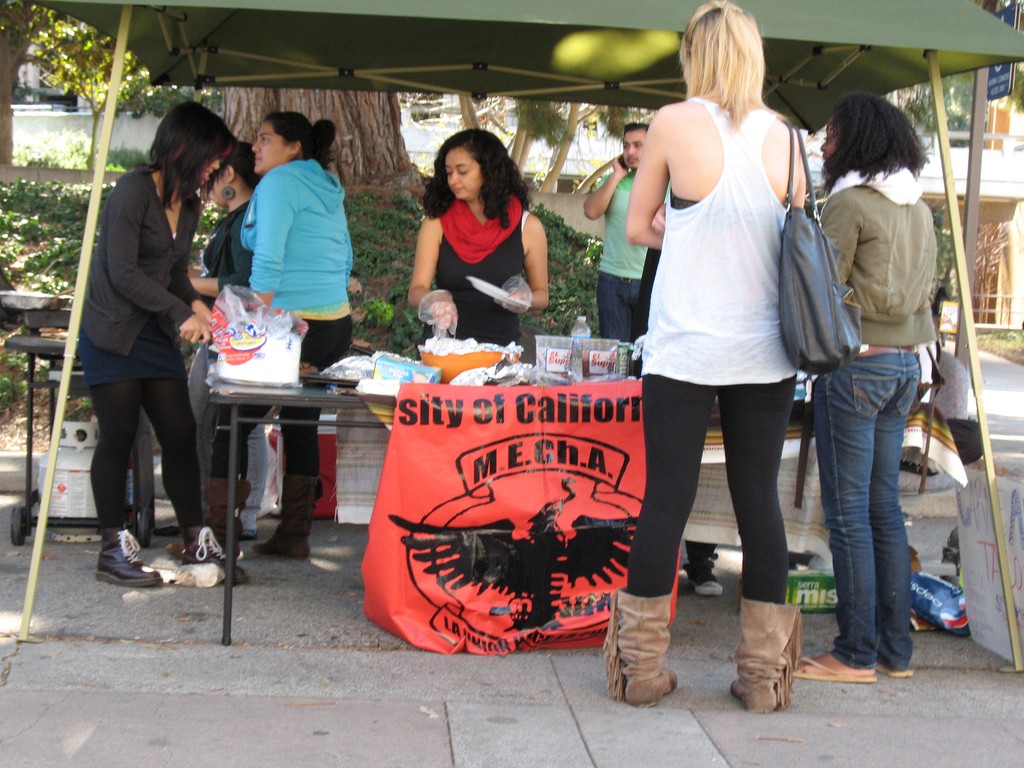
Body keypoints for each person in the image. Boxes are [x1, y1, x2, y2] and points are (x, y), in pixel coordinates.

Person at [605, 1, 805, 712]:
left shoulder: (670, 123)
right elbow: (794, 241)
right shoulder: (786, 135)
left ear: (694, 53)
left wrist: (681, 232)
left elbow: (638, 225)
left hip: (685, 343)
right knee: (760, 505)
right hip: (765, 349)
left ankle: (639, 671)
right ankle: (761, 678)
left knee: (667, 498)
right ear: (753, 53)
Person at [795, 93, 936, 684]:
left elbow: (824, 288)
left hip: (857, 369)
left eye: (831, 134)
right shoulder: (920, 208)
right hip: (906, 367)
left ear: (855, 140)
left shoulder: (850, 202)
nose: (823, 145)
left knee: (848, 513)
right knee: (883, 510)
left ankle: (854, 653)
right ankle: (894, 654)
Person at [79, 101, 236, 586]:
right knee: (121, 435)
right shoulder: (132, 191)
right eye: (212, 157)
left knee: (180, 433)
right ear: (186, 149)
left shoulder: (186, 204)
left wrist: (196, 304)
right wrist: (179, 310)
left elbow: (171, 273)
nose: (216, 167)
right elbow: (122, 271)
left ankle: (195, 538)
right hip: (112, 331)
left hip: (153, 333)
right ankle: (112, 546)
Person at [209, 111, 354, 561]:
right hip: (332, 326)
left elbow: (267, 262)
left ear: (293, 147)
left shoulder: (279, 183)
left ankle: (216, 535)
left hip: (290, 326)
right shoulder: (325, 186)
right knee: (300, 424)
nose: (255, 146)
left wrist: (251, 325)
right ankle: (294, 532)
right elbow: (345, 258)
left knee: (231, 421)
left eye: (264, 138)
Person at [187, 141, 267, 547]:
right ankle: (226, 514)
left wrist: (182, 283)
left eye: (210, 176)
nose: (206, 186)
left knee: (230, 424)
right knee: (239, 424)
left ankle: (231, 516)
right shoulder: (236, 219)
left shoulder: (244, 222)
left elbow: (241, 281)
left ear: (229, 175)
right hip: (226, 331)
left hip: (238, 334)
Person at [409, 129, 548, 346]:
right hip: (444, 348)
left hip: (501, 350)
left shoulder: (528, 226)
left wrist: (525, 299)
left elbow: (542, 296)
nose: (453, 179)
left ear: (489, 171)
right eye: (448, 172)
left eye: (462, 171)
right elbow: (416, 290)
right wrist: (434, 299)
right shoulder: (435, 224)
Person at [583, 123, 648, 342]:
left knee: (646, 355)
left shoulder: (666, 183)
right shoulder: (615, 181)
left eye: (638, 145)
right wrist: (617, 175)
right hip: (612, 280)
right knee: (615, 356)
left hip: (649, 280)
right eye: (626, 145)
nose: (631, 152)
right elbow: (591, 211)